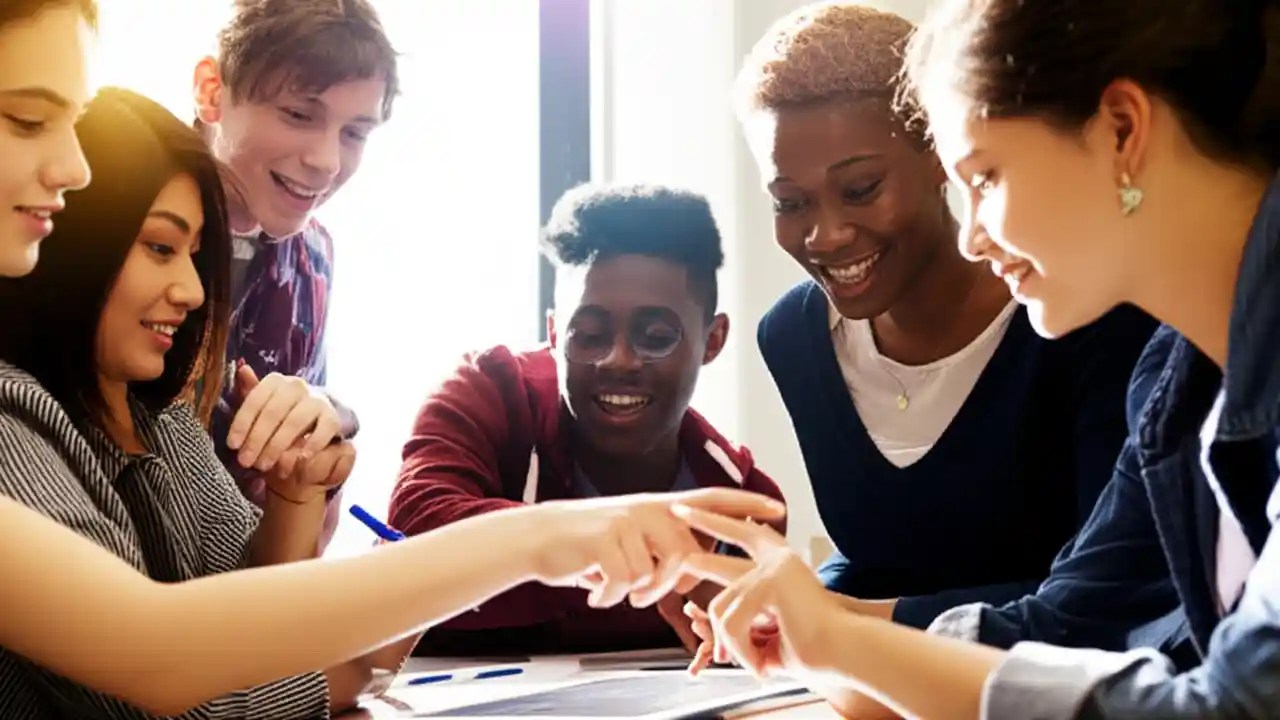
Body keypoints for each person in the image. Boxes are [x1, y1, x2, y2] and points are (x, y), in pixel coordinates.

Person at [0, 87, 786, 719]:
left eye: (196, 255)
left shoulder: (161, 420)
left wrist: (298, 496)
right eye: (161, 247)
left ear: (711, 340)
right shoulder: (16, 422)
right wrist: (550, 542)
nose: (195, 290)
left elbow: (255, 615)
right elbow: (166, 680)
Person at [678, 0, 1280, 718]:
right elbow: (1070, 619)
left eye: (986, 177)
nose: (973, 237)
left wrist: (845, 640)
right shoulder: (1175, 386)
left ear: (1123, 130)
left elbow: (1235, 706)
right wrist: (823, 629)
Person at [741, 3, 1154, 627]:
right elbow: (881, 557)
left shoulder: (1085, 317)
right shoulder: (795, 337)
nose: (823, 235)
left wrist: (854, 624)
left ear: (939, 152)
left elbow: (1110, 591)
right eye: (790, 202)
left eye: (860, 190)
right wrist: (787, 606)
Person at [389, 183, 787, 656]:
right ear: (555, 333)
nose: (619, 360)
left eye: (657, 335)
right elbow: (411, 535)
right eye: (589, 334)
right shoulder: (489, 393)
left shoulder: (740, 505)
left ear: (713, 340)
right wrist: (609, 542)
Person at [192, 0, 400, 548]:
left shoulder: (311, 256)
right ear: (212, 92)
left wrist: (331, 416)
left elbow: (304, 528)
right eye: (299, 115)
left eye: (355, 133)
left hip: (253, 599)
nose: (327, 161)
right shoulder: (113, 214)